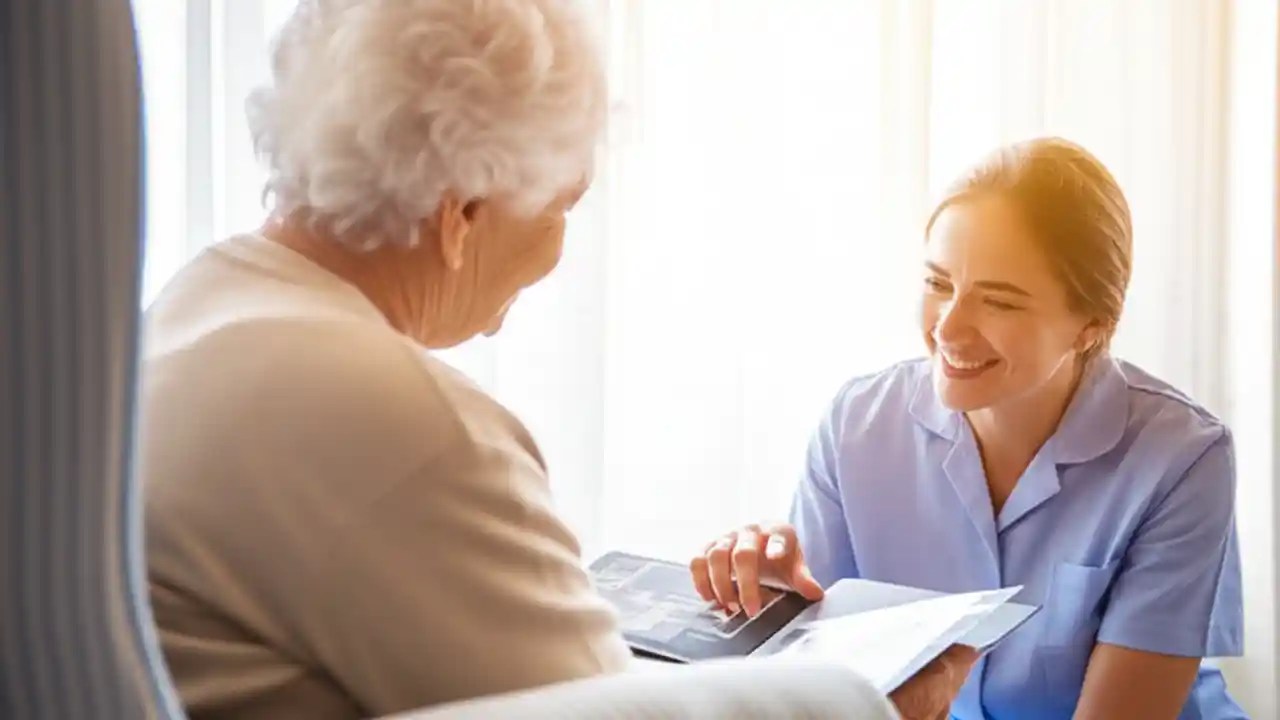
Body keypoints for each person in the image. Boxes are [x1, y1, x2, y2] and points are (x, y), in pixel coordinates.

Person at [139, 1, 965, 718]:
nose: (559, 249)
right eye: (564, 204)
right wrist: (866, 705)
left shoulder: (193, 307)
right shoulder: (392, 416)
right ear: (463, 211)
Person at [690, 137, 1246, 719]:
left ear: (1090, 326)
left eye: (1000, 302)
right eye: (937, 284)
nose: (948, 329)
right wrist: (777, 613)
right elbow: (827, 691)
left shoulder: (1182, 458)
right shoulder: (857, 426)